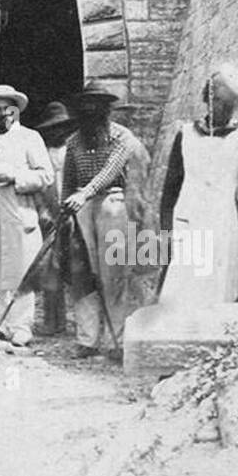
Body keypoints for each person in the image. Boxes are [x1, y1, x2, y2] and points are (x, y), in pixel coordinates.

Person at [158, 64, 238, 308]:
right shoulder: (185, 134)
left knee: (222, 288)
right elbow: (171, 190)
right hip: (188, 220)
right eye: (217, 100)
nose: (221, 108)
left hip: (223, 224)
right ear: (207, 98)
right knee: (183, 288)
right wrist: (167, 232)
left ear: (235, 105)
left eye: (228, 103)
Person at [61, 82, 151, 356]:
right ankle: (87, 339)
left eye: (97, 104)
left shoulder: (122, 137)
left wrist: (85, 193)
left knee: (114, 273)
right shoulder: (74, 141)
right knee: (82, 274)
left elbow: (109, 172)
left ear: (106, 108)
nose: (91, 109)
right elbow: (68, 180)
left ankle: (117, 341)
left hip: (113, 205)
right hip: (80, 209)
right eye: (86, 104)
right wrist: (63, 210)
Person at [0, 83, 53, 347]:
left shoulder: (30, 137)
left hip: (21, 211)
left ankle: (22, 326)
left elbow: (45, 175)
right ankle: (5, 323)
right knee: (0, 270)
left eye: (8, 109)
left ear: (16, 111)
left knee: (22, 270)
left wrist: (15, 177)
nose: (4, 114)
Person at [33, 101, 79, 335]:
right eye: (52, 128)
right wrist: (43, 211)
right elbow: (39, 186)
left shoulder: (74, 150)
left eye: (61, 127)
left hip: (75, 214)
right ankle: (53, 321)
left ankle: (82, 324)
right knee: (51, 269)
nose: (57, 132)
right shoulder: (41, 153)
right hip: (50, 215)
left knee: (79, 268)